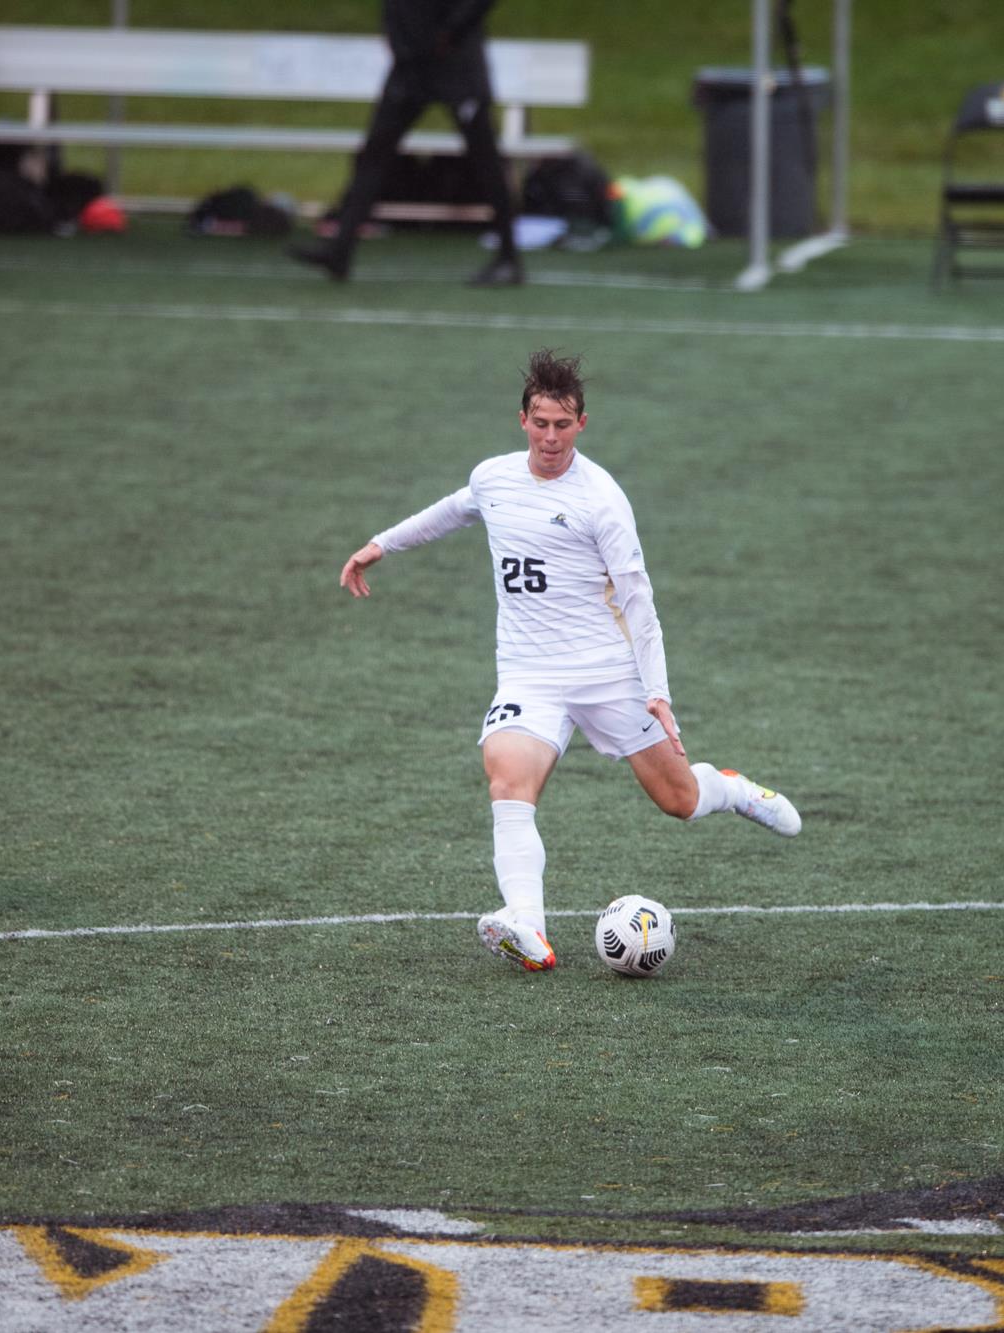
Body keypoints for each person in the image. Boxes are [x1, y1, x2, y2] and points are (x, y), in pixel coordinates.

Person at [337, 350, 799, 971]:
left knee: (679, 799)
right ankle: (525, 923)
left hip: (608, 671)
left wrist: (656, 690)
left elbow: (638, 598)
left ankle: (735, 790)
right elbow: (452, 511)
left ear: (582, 424)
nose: (550, 437)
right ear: (522, 420)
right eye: (540, 422)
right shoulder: (494, 478)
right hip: (529, 672)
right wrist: (378, 546)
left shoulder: (602, 501)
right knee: (507, 779)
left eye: (563, 424)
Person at [288, 0, 523, 287]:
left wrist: (449, 32)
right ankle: (340, 250)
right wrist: (400, 39)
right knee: (373, 156)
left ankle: (509, 258)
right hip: (411, 67)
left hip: (455, 66)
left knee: (486, 162)